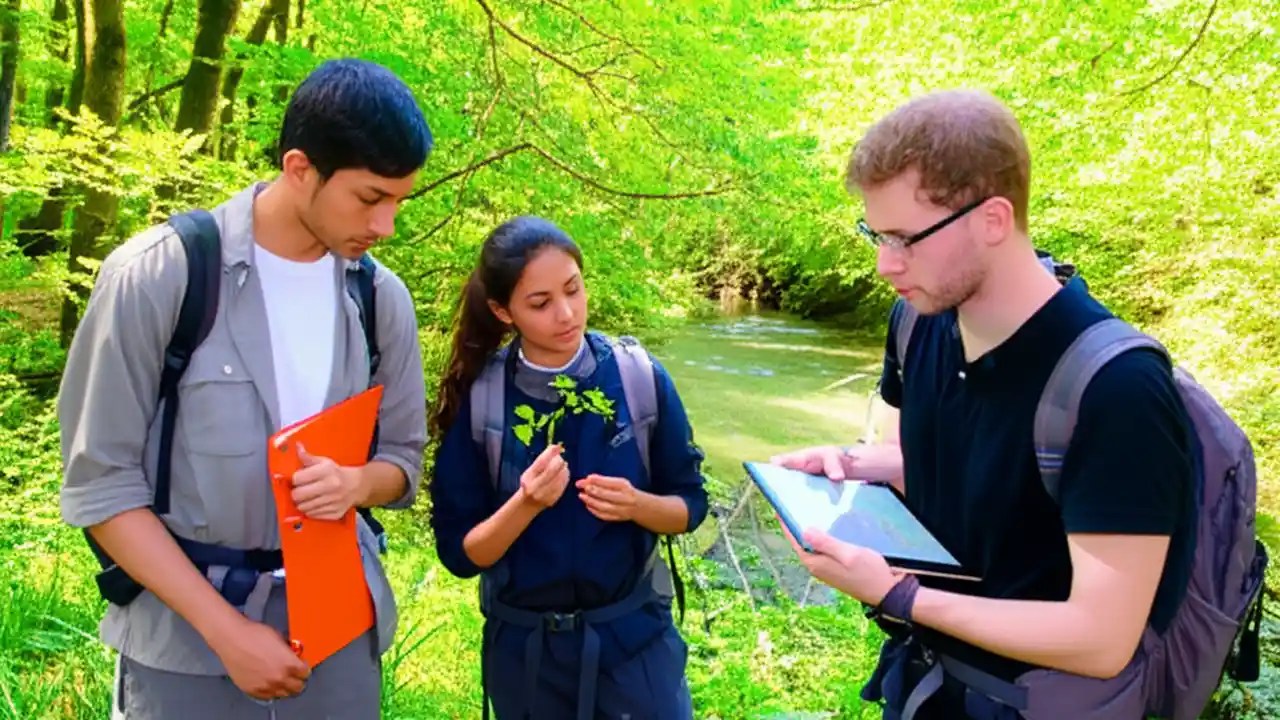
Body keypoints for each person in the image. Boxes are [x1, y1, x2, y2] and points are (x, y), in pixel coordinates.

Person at [773, 89, 1197, 718]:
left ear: (993, 219)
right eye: (875, 235)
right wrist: (859, 465)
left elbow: (1102, 638)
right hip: (928, 686)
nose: (886, 265)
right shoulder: (917, 324)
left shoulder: (1117, 389)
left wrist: (898, 594)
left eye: (905, 238)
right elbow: (987, 471)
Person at [57, 58, 433, 719]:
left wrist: (356, 485)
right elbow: (101, 486)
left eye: (400, 202)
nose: (385, 227)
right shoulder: (160, 277)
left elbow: (403, 461)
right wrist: (225, 632)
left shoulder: (380, 300)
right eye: (371, 198)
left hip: (339, 637)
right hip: (184, 644)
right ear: (299, 169)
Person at [427, 215, 709, 720]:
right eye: (540, 303)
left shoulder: (637, 377)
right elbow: (460, 554)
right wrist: (525, 504)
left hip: (635, 647)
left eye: (574, 290)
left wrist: (639, 506)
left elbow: (690, 505)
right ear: (502, 310)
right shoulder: (486, 400)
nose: (566, 314)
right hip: (528, 656)